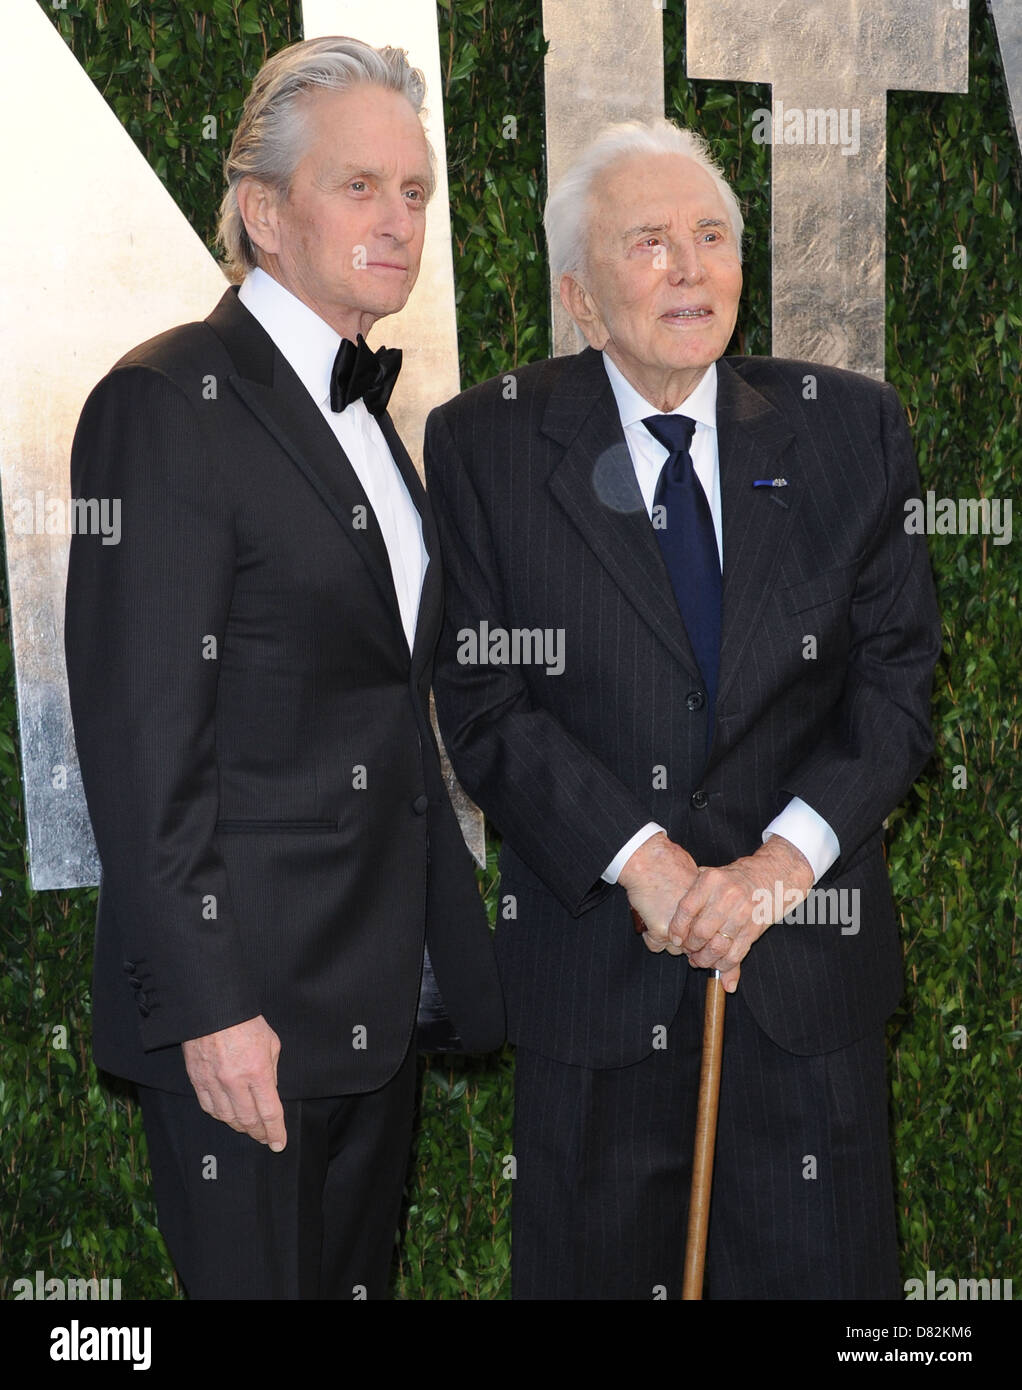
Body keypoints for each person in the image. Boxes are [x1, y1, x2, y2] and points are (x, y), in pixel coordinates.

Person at [424, 117, 940, 1300]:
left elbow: (896, 685)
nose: (691, 266)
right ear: (579, 295)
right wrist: (643, 861)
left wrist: (777, 865)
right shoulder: (484, 444)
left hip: (802, 986)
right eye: (648, 242)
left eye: (711, 236)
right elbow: (485, 698)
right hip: (593, 985)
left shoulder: (849, 427)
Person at [64, 35, 503, 1301]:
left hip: (373, 1004)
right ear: (264, 210)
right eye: (359, 186)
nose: (400, 220)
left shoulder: (363, 416)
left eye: (415, 192)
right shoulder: (166, 402)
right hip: (246, 1015)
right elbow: (143, 739)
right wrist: (211, 1011)